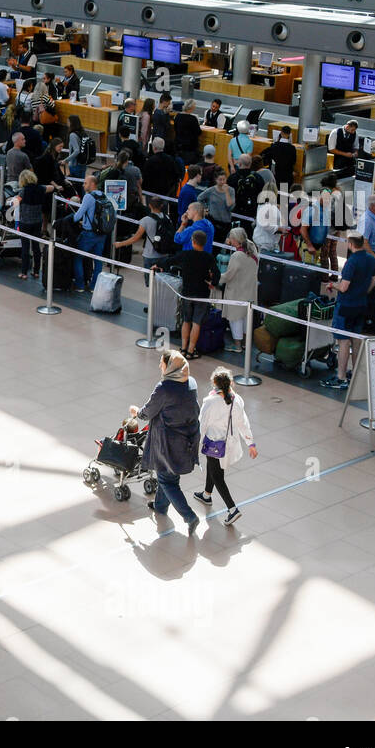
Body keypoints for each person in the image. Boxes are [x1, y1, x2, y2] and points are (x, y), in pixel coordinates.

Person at [131, 350, 201, 532]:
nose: (159, 366)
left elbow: (149, 411)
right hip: (186, 439)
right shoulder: (191, 383)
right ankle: (160, 506)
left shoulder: (164, 387)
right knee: (169, 474)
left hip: (167, 442)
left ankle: (189, 516)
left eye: (162, 363)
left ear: (170, 367)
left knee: (166, 479)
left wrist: (136, 413)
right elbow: (195, 408)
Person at [194, 367, 258, 525]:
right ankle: (207, 494)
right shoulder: (238, 400)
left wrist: (193, 444)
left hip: (214, 443)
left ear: (214, 383)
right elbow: (243, 424)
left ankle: (232, 509)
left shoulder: (210, 402)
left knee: (218, 476)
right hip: (229, 444)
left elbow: (201, 425)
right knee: (213, 467)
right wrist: (251, 443)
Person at [320, 234, 375, 389]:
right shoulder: (371, 260)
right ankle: (356, 373)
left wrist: (333, 286)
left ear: (351, 244)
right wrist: (363, 293)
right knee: (356, 339)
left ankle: (341, 377)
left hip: (346, 305)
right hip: (361, 304)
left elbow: (344, 286)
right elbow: (373, 282)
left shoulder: (351, 262)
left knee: (344, 340)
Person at [155, 229, 221, 359]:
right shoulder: (208, 258)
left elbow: (170, 260)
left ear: (193, 241)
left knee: (186, 320)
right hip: (202, 294)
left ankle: (183, 349)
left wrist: (156, 264)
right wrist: (213, 282)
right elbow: (216, 274)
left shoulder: (186, 254)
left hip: (187, 293)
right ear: (204, 243)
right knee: (197, 322)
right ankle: (191, 351)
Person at [219, 228, 259, 353]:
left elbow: (229, 274)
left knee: (235, 317)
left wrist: (216, 279)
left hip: (237, 290)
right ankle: (246, 343)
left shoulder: (237, 255)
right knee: (247, 317)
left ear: (235, 239)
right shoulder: (252, 247)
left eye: (231, 238)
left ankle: (237, 345)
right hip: (250, 288)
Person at [11, 169, 53, 280]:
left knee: (25, 248)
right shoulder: (41, 189)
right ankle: (36, 272)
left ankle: (24, 272)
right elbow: (51, 188)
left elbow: (15, 203)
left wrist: (13, 199)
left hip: (25, 223)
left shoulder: (23, 191)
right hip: (37, 222)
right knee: (36, 247)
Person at [69, 174, 108, 293]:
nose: (83, 185)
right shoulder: (103, 195)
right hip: (102, 233)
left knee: (78, 257)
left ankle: (80, 285)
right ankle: (93, 287)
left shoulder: (88, 197)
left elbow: (78, 216)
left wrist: (70, 220)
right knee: (98, 260)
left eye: (85, 183)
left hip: (89, 234)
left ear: (92, 184)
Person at [202, 170, 235, 245]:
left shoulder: (231, 190)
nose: (222, 182)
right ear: (216, 180)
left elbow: (230, 206)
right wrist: (205, 208)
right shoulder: (211, 190)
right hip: (213, 221)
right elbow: (200, 198)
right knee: (210, 243)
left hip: (225, 223)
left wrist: (226, 192)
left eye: (224, 179)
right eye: (220, 179)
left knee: (220, 245)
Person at [173, 99, 201, 163]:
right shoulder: (193, 119)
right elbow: (198, 132)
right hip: (190, 147)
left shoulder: (178, 116)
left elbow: (175, 128)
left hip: (178, 144)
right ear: (192, 107)